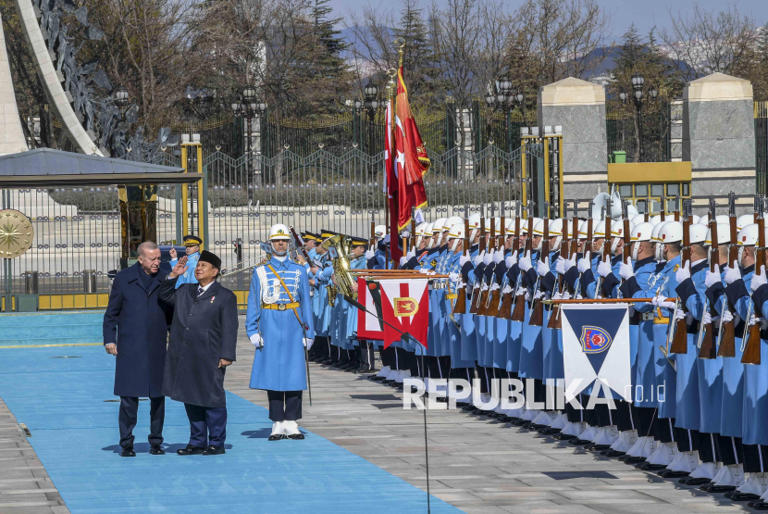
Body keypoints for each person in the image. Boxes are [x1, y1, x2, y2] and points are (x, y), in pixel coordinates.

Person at [158, 250, 238, 455]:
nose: (199, 268)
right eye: (198, 265)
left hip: (210, 354)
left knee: (212, 397)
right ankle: (197, 441)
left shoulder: (225, 296)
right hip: (185, 353)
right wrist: (173, 275)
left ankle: (216, 442)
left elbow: (230, 328)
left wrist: (227, 354)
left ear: (215, 271)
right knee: (190, 397)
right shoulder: (185, 290)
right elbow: (164, 295)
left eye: (204, 266)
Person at [246, 223, 315, 440]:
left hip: (294, 323)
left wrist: (309, 332)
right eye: (276, 241)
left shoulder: (299, 270)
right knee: (272, 373)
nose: (281, 244)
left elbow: (306, 303)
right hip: (270, 321)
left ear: (289, 243)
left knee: (294, 373)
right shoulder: (260, 271)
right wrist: (252, 330)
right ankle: (277, 421)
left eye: (284, 240)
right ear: (270, 244)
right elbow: (254, 301)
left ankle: (292, 421)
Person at [103, 241, 172, 457]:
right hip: (130, 347)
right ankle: (126, 443)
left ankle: (156, 442)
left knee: (158, 398)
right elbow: (111, 313)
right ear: (140, 259)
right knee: (128, 398)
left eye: (159, 258)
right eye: (153, 259)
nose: (157, 262)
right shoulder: (124, 278)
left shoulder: (165, 277)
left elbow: (172, 312)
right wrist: (109, 340)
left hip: (157, 347)